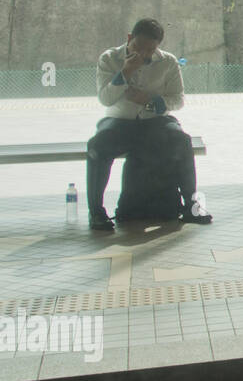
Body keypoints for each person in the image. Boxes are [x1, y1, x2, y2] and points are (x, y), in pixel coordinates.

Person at [86, 18, 214, 230]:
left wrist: (151, 101)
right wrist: (125, 72)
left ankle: (191, 205)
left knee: (181, 141)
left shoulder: (168, 62)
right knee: (98, 146)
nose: (144, 54)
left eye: (150, 49)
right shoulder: (109, 58)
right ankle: (96, 212)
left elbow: (178, 99)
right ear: (129, 38)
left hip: (155, 120)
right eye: (138, 47)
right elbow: (105, 99)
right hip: (119, 120)